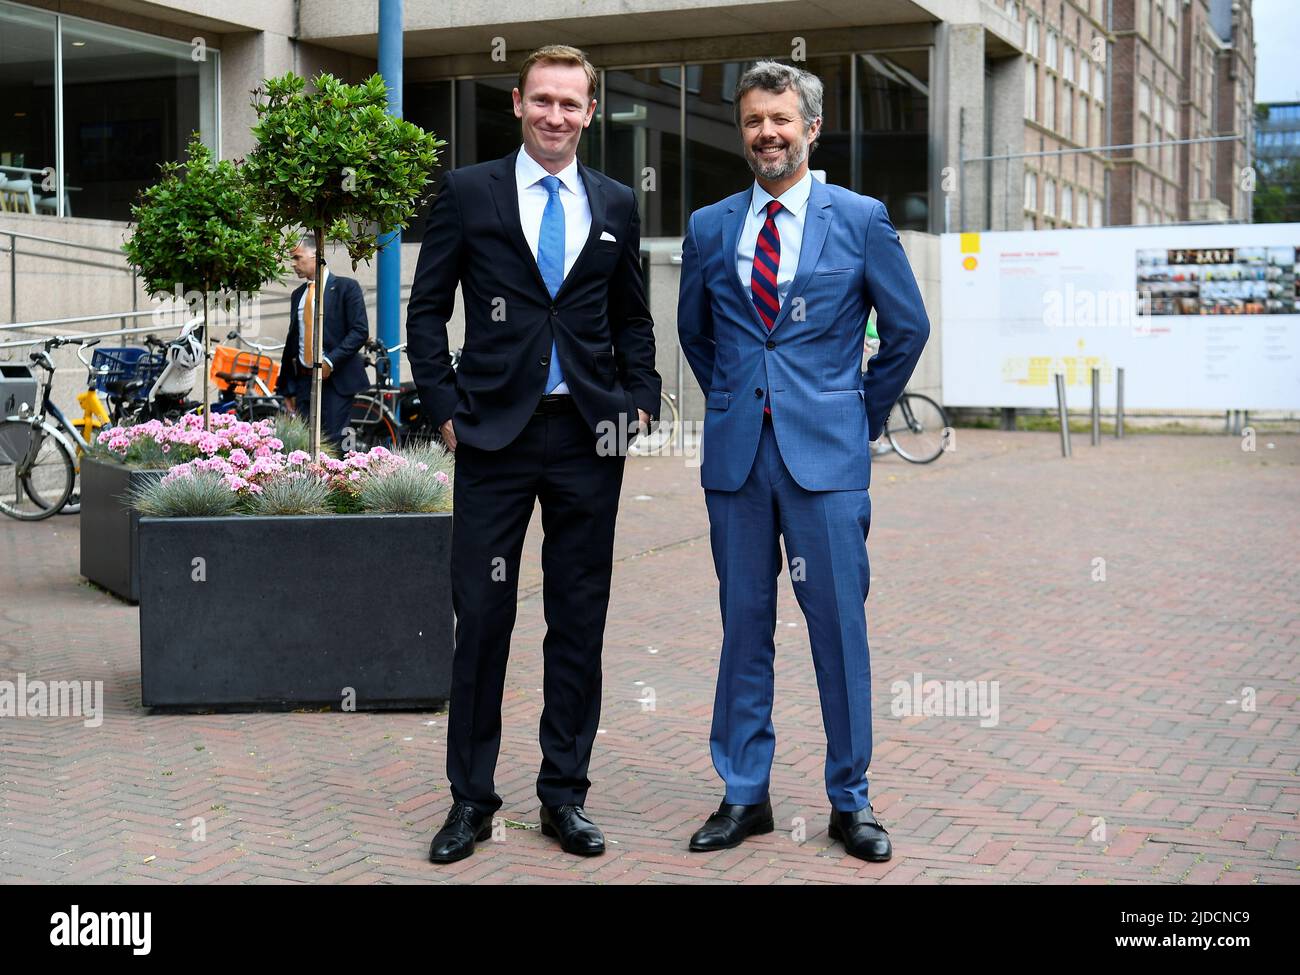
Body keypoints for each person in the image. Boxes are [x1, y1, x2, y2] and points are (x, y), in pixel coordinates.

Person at [406, 45, 661, 864]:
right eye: (543, 100)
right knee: (481, 619)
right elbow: (425, 312)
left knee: (578, 620)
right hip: (492, 436)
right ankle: (471, 801)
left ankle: (564, 796)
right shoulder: (467, 191)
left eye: (571, 103)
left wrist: (643, 400)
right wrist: (444, 409)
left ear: (591, 112)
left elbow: (633, 321)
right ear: (518, 103)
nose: (556, 115)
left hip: (591, 437)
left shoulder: (616, 200)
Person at [677, 60, 929, 862]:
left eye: (781, 119)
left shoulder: (859, 219)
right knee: (743, 628)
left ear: (811, 129)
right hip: (739, 464)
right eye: (754, 120)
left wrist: (858, 415)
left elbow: (907, 327)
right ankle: (744, 792)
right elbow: (698, 334)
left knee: (838, 631)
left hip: (826, 462)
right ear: (741, 130)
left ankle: (850, 801)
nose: (767, 133)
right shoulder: (712, 226)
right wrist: (734, 399)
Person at [276, 237, 370, 446]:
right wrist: (287, 387)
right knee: (304, 444)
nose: (293, 263)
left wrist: (330, 361)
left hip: (336, 382)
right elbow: (292, 344)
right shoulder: (298, 295)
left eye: (297, 258)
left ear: (316, 256)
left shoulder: (347, 288)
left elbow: (360, 331)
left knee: (334, 445)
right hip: (303, 383)